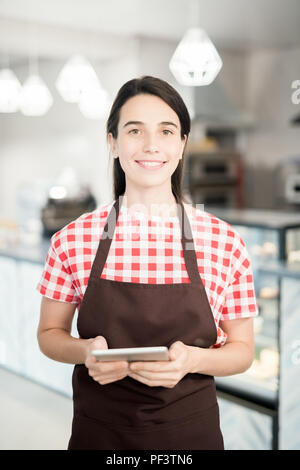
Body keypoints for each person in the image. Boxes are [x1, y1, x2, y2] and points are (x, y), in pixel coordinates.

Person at [36, 75, 258, 450]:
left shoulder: (224, 242)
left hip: (191, 436)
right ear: (113, 142)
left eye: (167, 131)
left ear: (182, 144)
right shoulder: (72, 240)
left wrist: (190, 361)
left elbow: (243, 351)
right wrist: (85, 352)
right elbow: (48, 335)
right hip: (100, 435)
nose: (151, 145)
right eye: (135, 130)